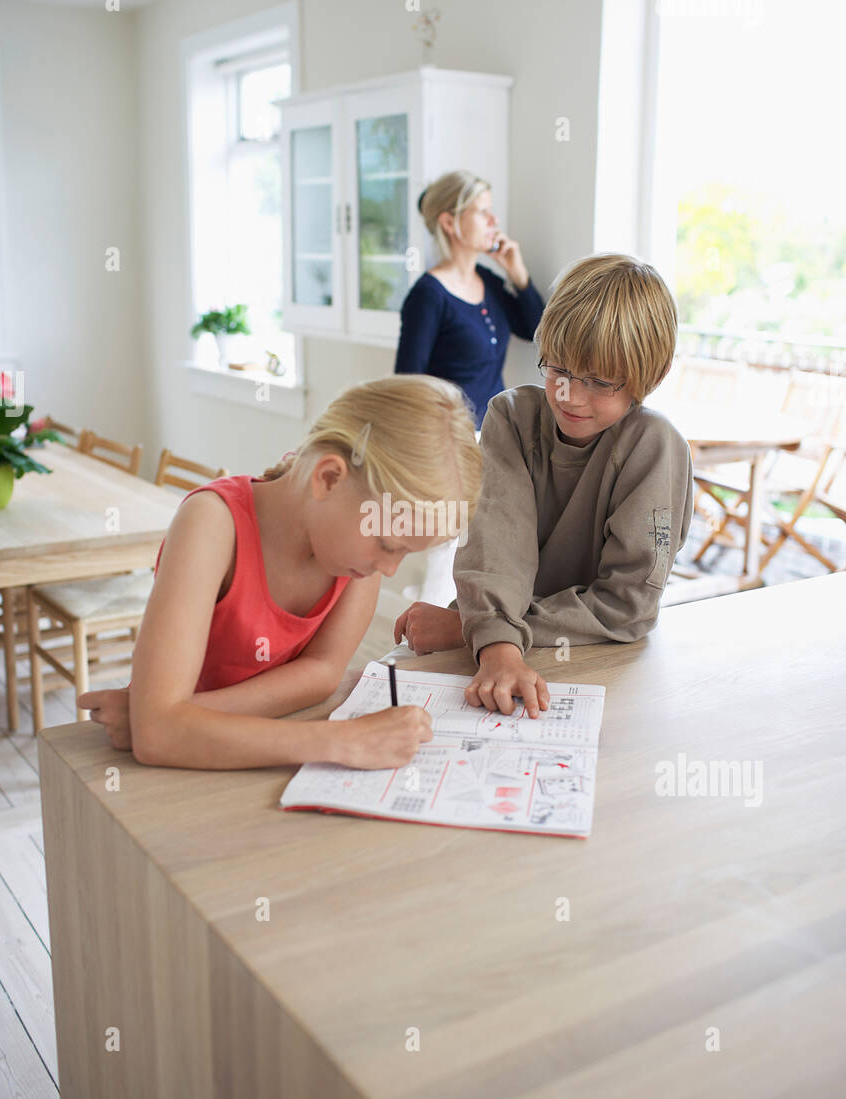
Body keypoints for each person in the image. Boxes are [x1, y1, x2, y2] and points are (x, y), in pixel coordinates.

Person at [78, 375, 481, 771]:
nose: (389, 569)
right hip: (161, 776)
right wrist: (344, 741)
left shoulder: (356, 558)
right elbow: (159, 738)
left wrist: (174, 720)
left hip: (249, 757)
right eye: (389, 545)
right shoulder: (211, 524)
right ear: (328, 478)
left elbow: (322, 675)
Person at [393, 253, 695, 719]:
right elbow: (496, 544)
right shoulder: (511, 416)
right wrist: (495, 643)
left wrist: (475, 630)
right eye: (558, 370)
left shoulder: (655, 446)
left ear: (648, 377)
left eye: (598, 382)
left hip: (594, 657)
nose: (570, 396)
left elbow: (626, 608)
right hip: (491, 643)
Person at [394, 170, 544, 429]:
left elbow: (536, 331)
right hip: (451, 444)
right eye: (482, 212)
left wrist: (518, 275)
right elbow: (407, 387)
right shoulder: (428, 296)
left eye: (492, 211)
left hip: (496, 435)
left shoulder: (488, 281)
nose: (494, 220)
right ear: (449, 223)